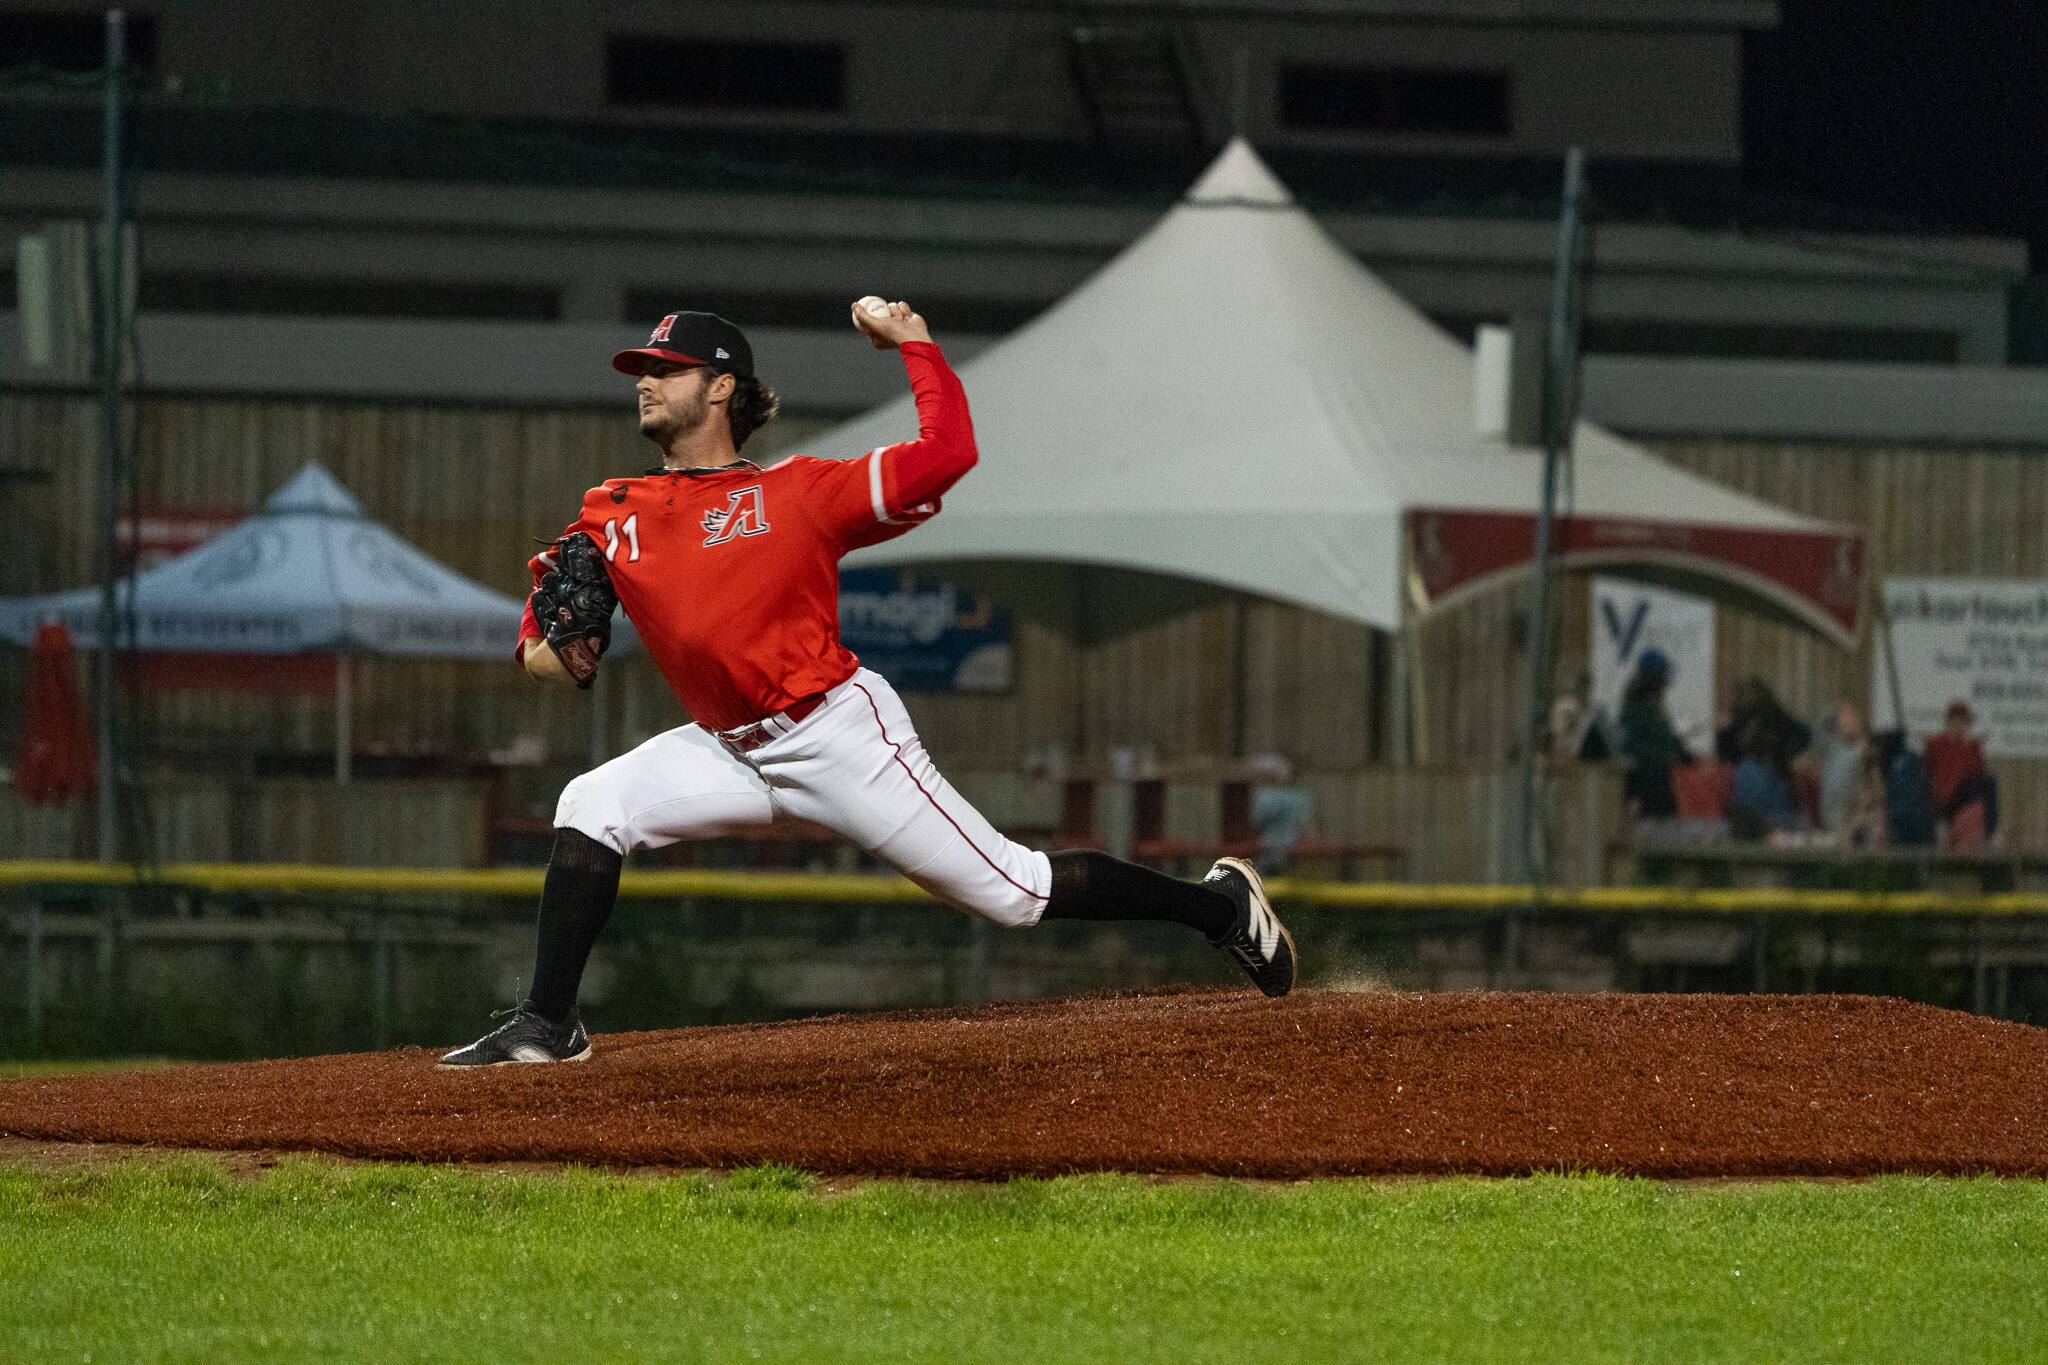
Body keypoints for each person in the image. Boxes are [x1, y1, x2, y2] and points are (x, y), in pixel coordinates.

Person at [440, 302, 1296, 1067]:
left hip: (835, 738)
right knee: (591, 802)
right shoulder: (610, 508)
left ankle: (1217, 907)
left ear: (722, 388)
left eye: (667, 370)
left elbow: (948, 453)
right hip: (727, 749)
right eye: (643, 371)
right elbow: (554, 651)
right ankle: (548, 1023)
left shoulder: (799, 493)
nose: (646, 383)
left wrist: (915, 345)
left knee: (1016, 891)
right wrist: (545, 644)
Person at [1617, 649, 1691, 820]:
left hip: (1659, 781)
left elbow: (1664, 738)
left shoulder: (1650, 705)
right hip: (1647, 784)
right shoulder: (1636, 708)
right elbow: (1633, 747)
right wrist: (1669, 752)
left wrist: (1681, 751)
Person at [1923, 699, 1997, 848]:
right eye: (1958, 721)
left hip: (1964, 794)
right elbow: (1927, 771)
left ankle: (1986, 832)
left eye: (1965, 722)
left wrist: (1968, 747)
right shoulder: (1935, 744)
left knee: (1989, 783)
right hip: (1942, 795)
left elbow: (1978, 773)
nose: (1961, 725)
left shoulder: (1971, 746)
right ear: (1950, 721)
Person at [1815, 700, 1869, 836]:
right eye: (1843, 716)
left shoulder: (1862, 749)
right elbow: (1819, 727)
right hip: (1829, 817)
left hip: (1850, 819)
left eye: (1852, 716)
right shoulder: (1833, 746)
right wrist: (1836, 711)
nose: (1847, 720)